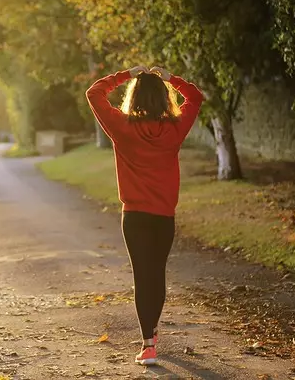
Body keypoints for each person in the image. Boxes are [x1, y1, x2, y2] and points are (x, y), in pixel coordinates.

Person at [85, 65, 205, 366]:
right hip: (163, 217)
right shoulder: (175, 128)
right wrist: (170, 79)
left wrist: (126, 74)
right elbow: (196, 97)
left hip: (135, 217)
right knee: (157, 274)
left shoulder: (122, 127)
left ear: (134, 97)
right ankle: (152, 334)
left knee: (142, 275)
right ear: (164, 99)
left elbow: (94, 93)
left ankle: (148, 344)